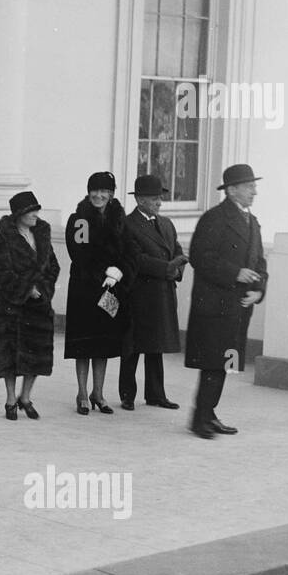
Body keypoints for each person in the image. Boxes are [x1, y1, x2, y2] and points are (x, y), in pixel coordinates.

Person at [185, 164, 267, 439]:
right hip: (215, 306)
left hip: (238, 307)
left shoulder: (251, 221)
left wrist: (259, 289)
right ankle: (199, 419)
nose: (254, 191)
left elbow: (260, 261)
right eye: (249, 186)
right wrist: (235, 273)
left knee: (223, 364)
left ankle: (209, 414)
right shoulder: (215, 218)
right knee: (212, 363)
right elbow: (200, 257)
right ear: (232, 190)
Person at [0, 191, 60, 420]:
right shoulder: (3, 238)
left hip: (38, 304)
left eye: (36, 211)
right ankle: (10, 399)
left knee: (36, 354)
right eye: (31, 211)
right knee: (9, 354)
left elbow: (53, 266)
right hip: (11, 305)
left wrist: (43, 290)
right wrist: (26, 288)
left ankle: (25, 397)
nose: (35, 215)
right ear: (19, 214)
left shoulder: (42, 234)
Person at [64, 171, 132, 414]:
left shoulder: (120, 220)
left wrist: (118, 272)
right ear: (88, 192)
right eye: (95, 190)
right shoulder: (80, 219)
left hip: (110, 290)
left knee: (103, 345)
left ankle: (98, 393)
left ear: (112, 194)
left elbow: (128, 251)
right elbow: (80, 254)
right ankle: (82, 394)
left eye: (105, 191)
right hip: (85, 290)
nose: (99, 195)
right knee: (83, 346)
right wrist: (105, 272)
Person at [119, 174, 187, 410]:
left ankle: (156, 394)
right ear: (139, 199)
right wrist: (168, 268)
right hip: (139, 294)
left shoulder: (166, 224)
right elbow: (136, 258)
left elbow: (177, 251)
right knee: (133, 345)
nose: (159, 202)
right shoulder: (127, 225)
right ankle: (128, 394)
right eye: (153, 198)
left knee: (156, 345)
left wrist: (176, 270)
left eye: (160, 197)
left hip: (163, 292)